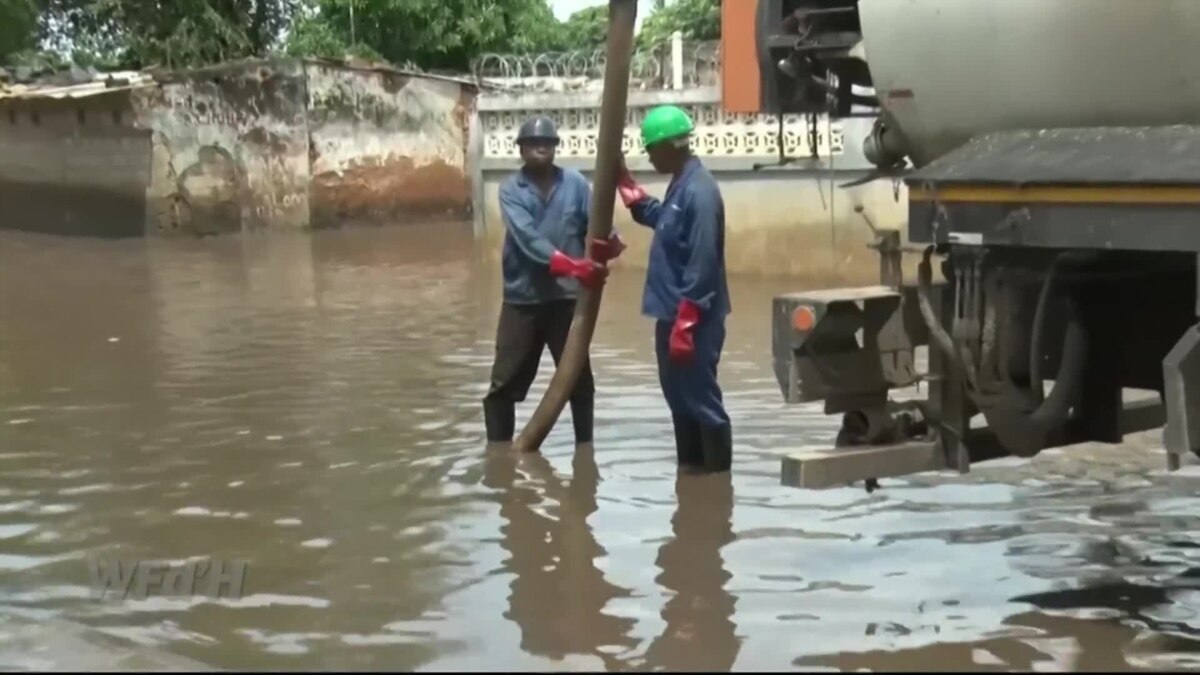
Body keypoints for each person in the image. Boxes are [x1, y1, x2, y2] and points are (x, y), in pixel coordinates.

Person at [482, 115, 625, 446]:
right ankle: (499, 453)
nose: (540, 148)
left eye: (547, 143)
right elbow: (527, 239)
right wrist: (572, 266)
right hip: (524, 300)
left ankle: (584, 453)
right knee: (505, 382)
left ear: (556, 148)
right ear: (520, 150)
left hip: (567, 301)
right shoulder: (510, 190)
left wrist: (611, 240)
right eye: (532, 143)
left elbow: (596, 221)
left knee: (579, 380)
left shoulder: (575, 183)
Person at [614, 105, 733, 474]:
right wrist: (624, 182)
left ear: (668, 146)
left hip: (693, 319)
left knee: (702, 402)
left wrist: (687, 321)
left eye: (651, 149)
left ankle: (716, 486)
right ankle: (692, 485)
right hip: (672, 314)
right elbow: (660, 217)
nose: (649, 156)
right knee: (680, 402)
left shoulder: (701, 191)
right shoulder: (681, 185)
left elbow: (703, 260)